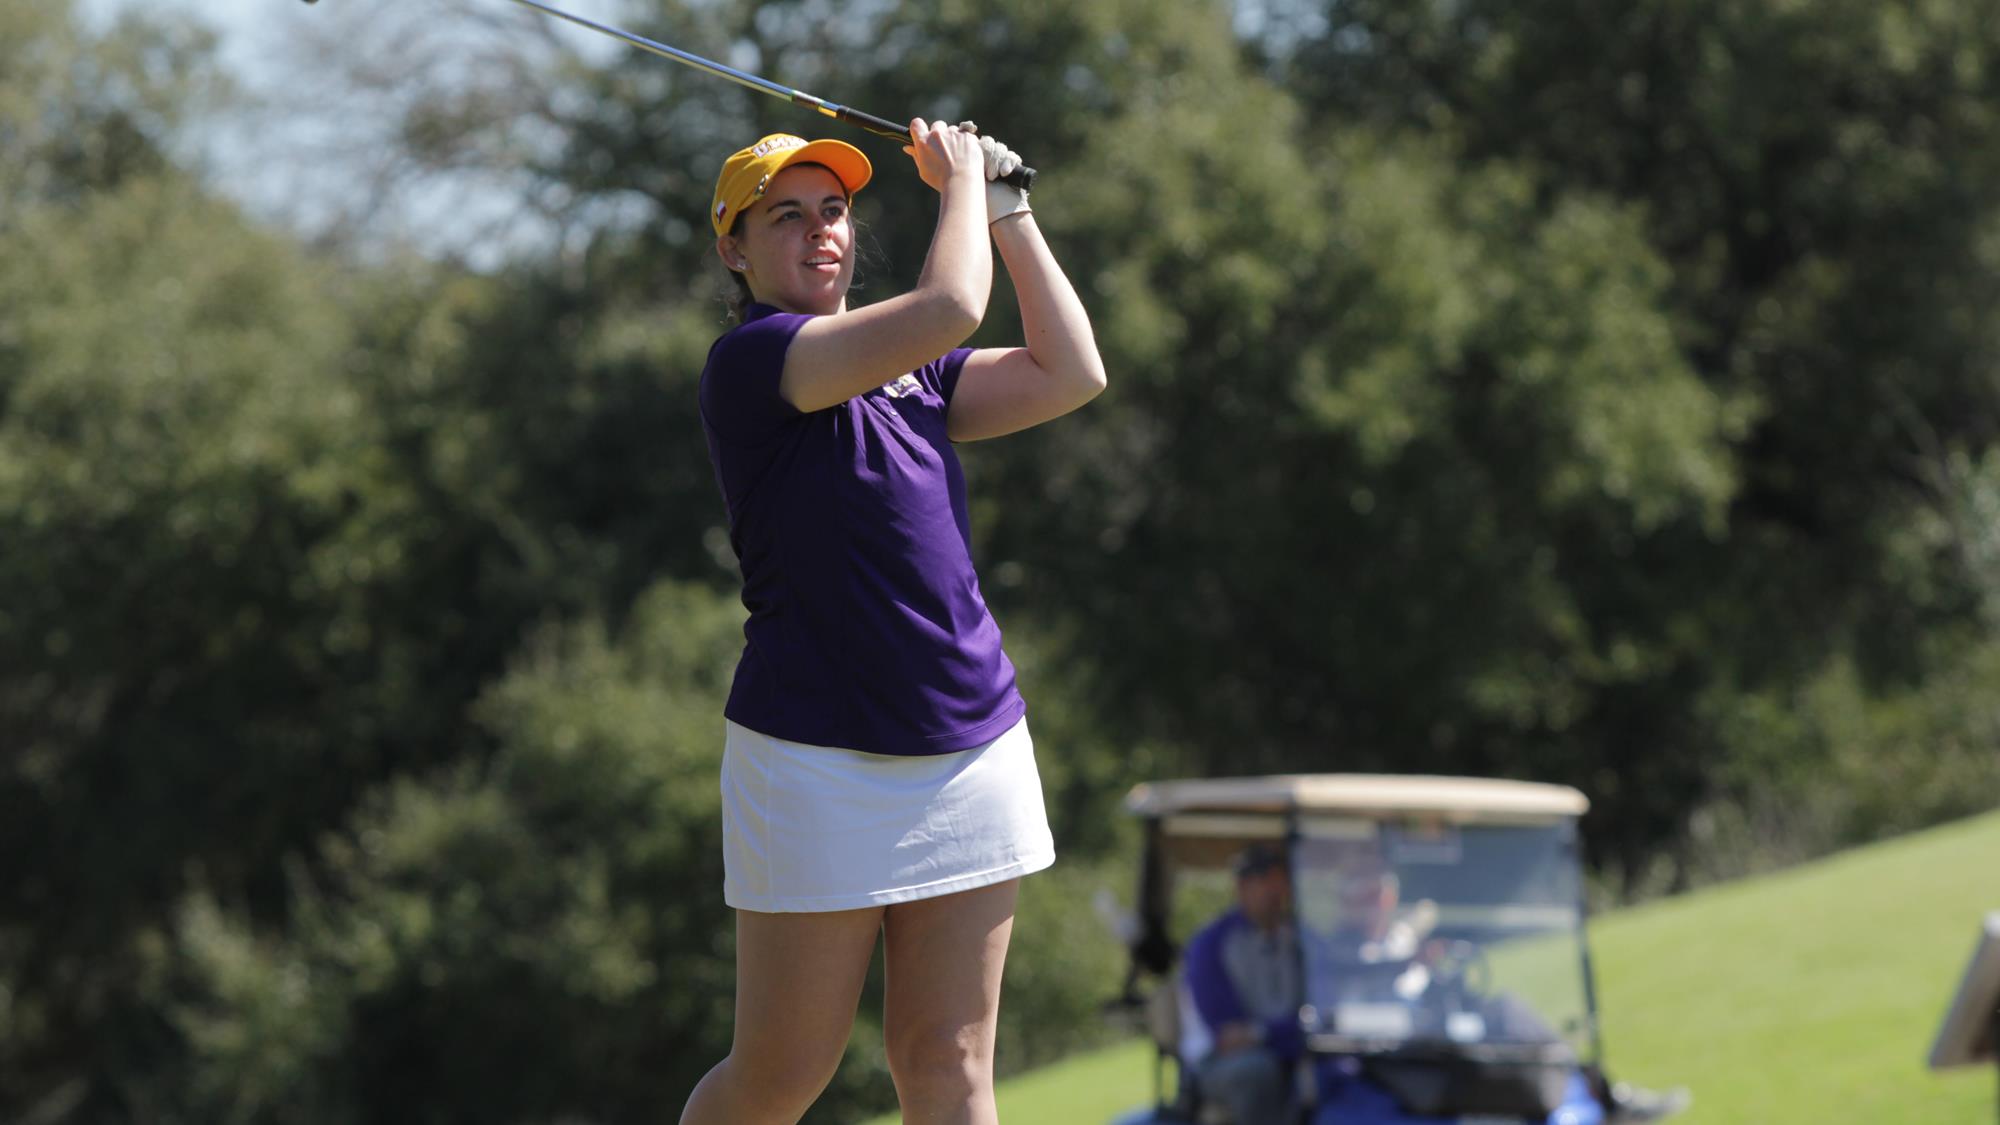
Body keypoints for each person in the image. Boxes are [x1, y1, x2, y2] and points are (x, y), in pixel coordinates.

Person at [679, 118, 1106, 1125]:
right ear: (733, 250)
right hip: (813, 757)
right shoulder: (752, 361)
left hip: (971, 746)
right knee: (782, 1073)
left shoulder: (911, 377)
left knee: (947, 1065)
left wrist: (1007, 209)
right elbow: (951, 305)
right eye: (785, 217)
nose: (820, 232)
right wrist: (959, 178)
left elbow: (1070, 371)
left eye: (833, 213)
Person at [1180, 844, 1306, 1125]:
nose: (1275, 890)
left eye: (1279, 880)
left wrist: (1269, 1034)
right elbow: (1229, 1036)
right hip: (1218, 1063)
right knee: (1257, 1072)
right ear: (1242, 887)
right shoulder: (1211, 945)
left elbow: (1321, 1008)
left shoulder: (1300, 939)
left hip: (1291, 1046)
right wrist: (1283, 1033)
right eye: (1264, 881)